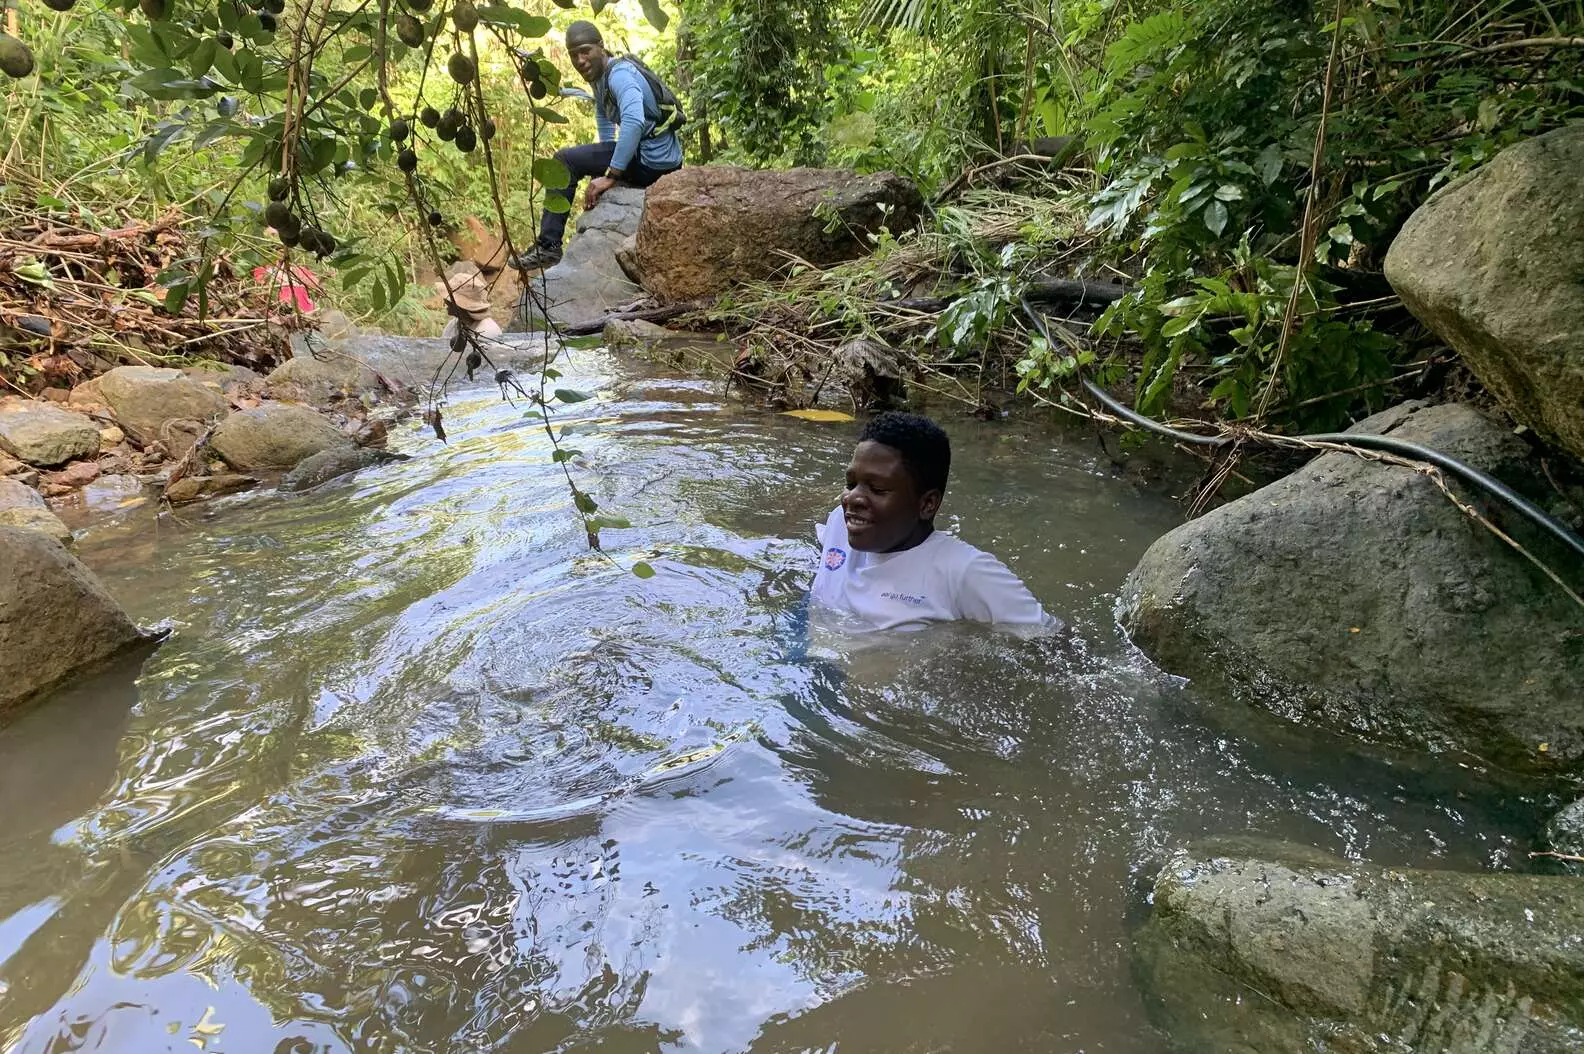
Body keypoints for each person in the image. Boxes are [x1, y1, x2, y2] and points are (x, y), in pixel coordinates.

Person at [810, 412, 1059, 633]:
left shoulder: (962, 571)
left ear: (927, 504)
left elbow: (1055, 643)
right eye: (851, 484)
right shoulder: (839, 525)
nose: (852, 498)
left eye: (876, 489)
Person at [512, 21, 683, 271]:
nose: (580, 60)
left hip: (652, 163)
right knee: (581, 160)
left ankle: (548, 246)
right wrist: (603, 169)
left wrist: (612, 175)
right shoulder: (602, 76)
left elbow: (634, 121)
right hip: (655, 159)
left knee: (564, 160)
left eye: (585, 51)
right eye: (573, 55)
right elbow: (604, 115)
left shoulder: (621, 75)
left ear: (601, 47)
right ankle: (547, 245)